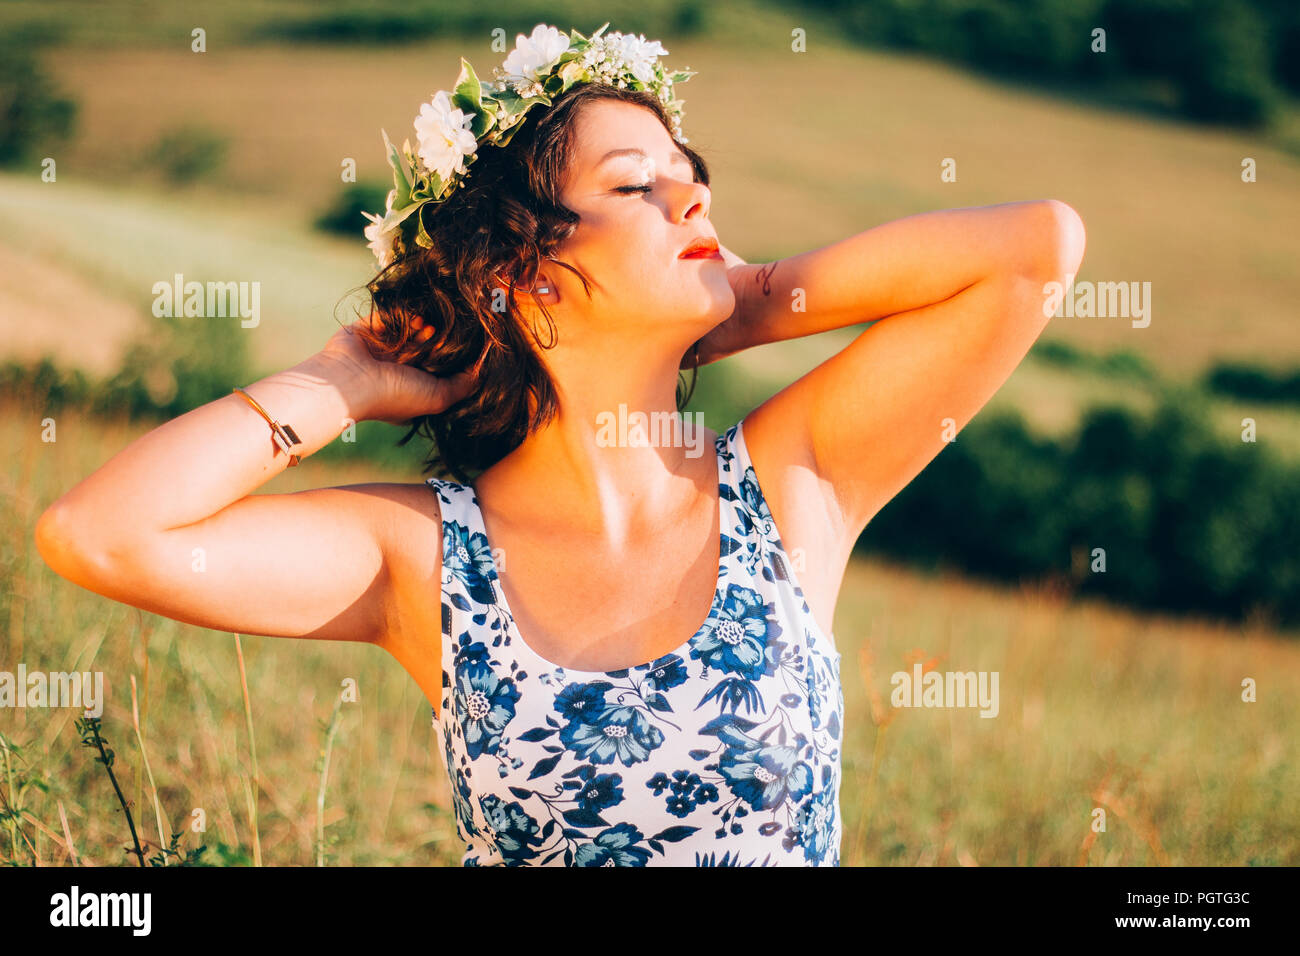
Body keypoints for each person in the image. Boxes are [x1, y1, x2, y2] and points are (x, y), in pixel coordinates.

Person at [34, 23, 1085, 866]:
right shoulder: (427, 559)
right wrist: (345, 381)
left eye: (692, 174)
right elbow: (101, 534)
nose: (692, 195)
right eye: (637, 183)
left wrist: (749, 294)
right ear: (520, 270)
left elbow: (1038, 249)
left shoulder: (790, 481)